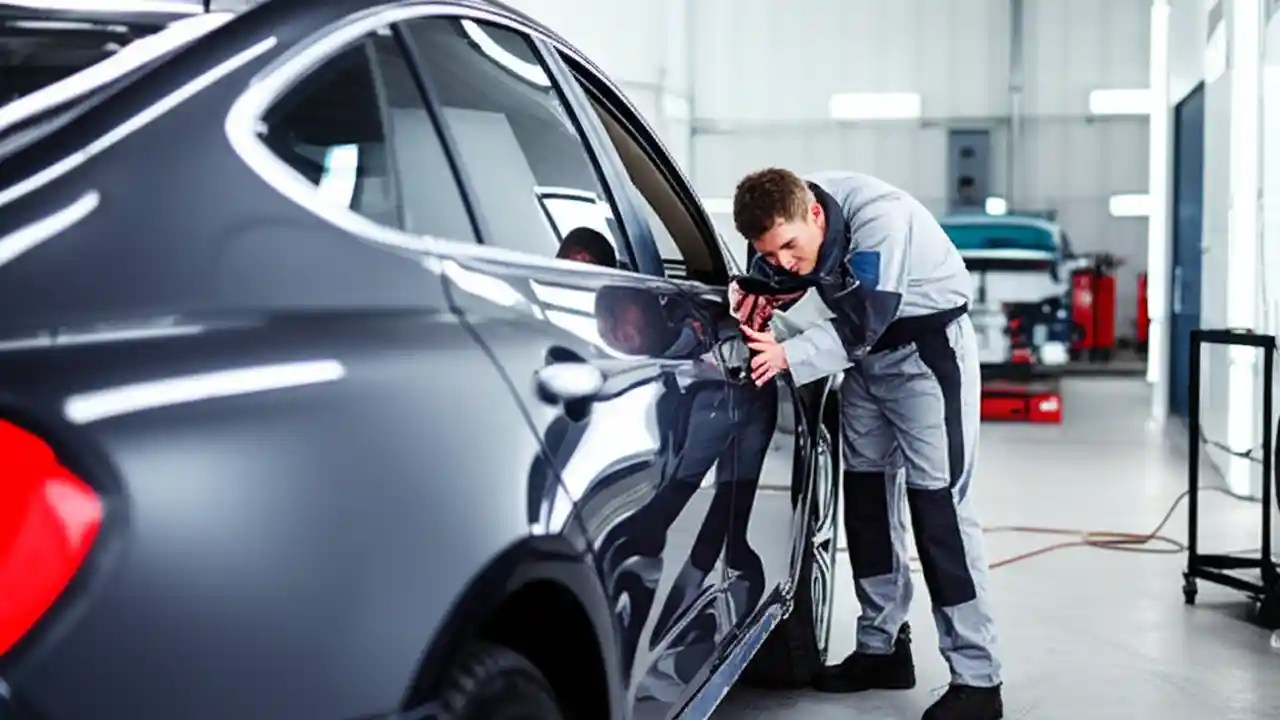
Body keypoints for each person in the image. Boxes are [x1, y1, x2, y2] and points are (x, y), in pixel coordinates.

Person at [730, 168, 1003, 720]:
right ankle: (882, 650)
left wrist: (789, 353)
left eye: (788, 246)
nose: (783, 259)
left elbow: (864, 320)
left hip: (927, 355)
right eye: (769, 250)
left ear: (814, 215)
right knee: (867, 503)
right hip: (864, 364)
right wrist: (755, 293)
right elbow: (777, 276)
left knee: (938, 510)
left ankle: (978, 680)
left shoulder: (880, 219)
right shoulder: (792, 210)